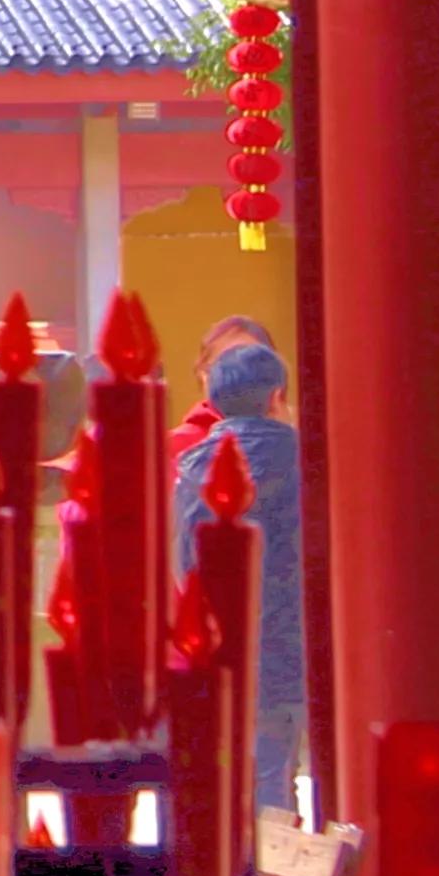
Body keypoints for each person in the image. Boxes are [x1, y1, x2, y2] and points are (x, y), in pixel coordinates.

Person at [168, 328, 308, 806]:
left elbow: (181, 560)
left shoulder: (189, 473)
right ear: (277, 396)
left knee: (229, 781)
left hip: (216, 647)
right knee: (275, 776)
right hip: (291, 649)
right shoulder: (304, 463)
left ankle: (235, 874)